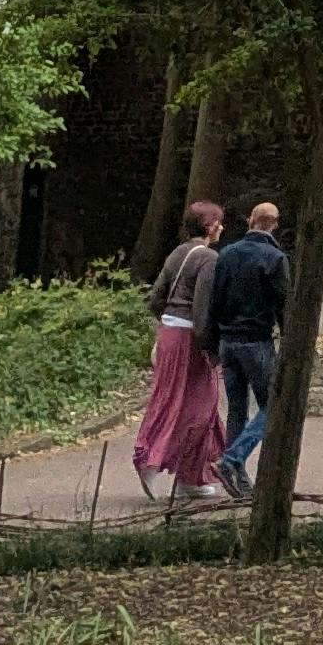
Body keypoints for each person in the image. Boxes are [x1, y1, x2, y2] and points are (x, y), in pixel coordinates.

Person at [134, 202, 230, 502]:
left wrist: (166, 328)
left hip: (169, 334)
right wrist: (211, 349)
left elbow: (156, 299)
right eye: (219, 223)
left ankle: (192, 476)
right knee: (200, 405)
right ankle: (154, 459)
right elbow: (202, 309)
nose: (222, 228)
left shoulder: (178, 253)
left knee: (170, 397)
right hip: (190, 338)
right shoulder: (209, 259)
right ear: (210, 226)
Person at [206, 197, 288, 498]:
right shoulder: (275, 259)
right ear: (274, 225)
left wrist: (212, 343)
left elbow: (214, 302)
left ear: (250, 221)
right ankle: (230, 461)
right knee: (273, 407)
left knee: (237, 410)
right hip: (256, 342)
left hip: (228, 342)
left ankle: (238, 479)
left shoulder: (226, 254)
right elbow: (282, 307)